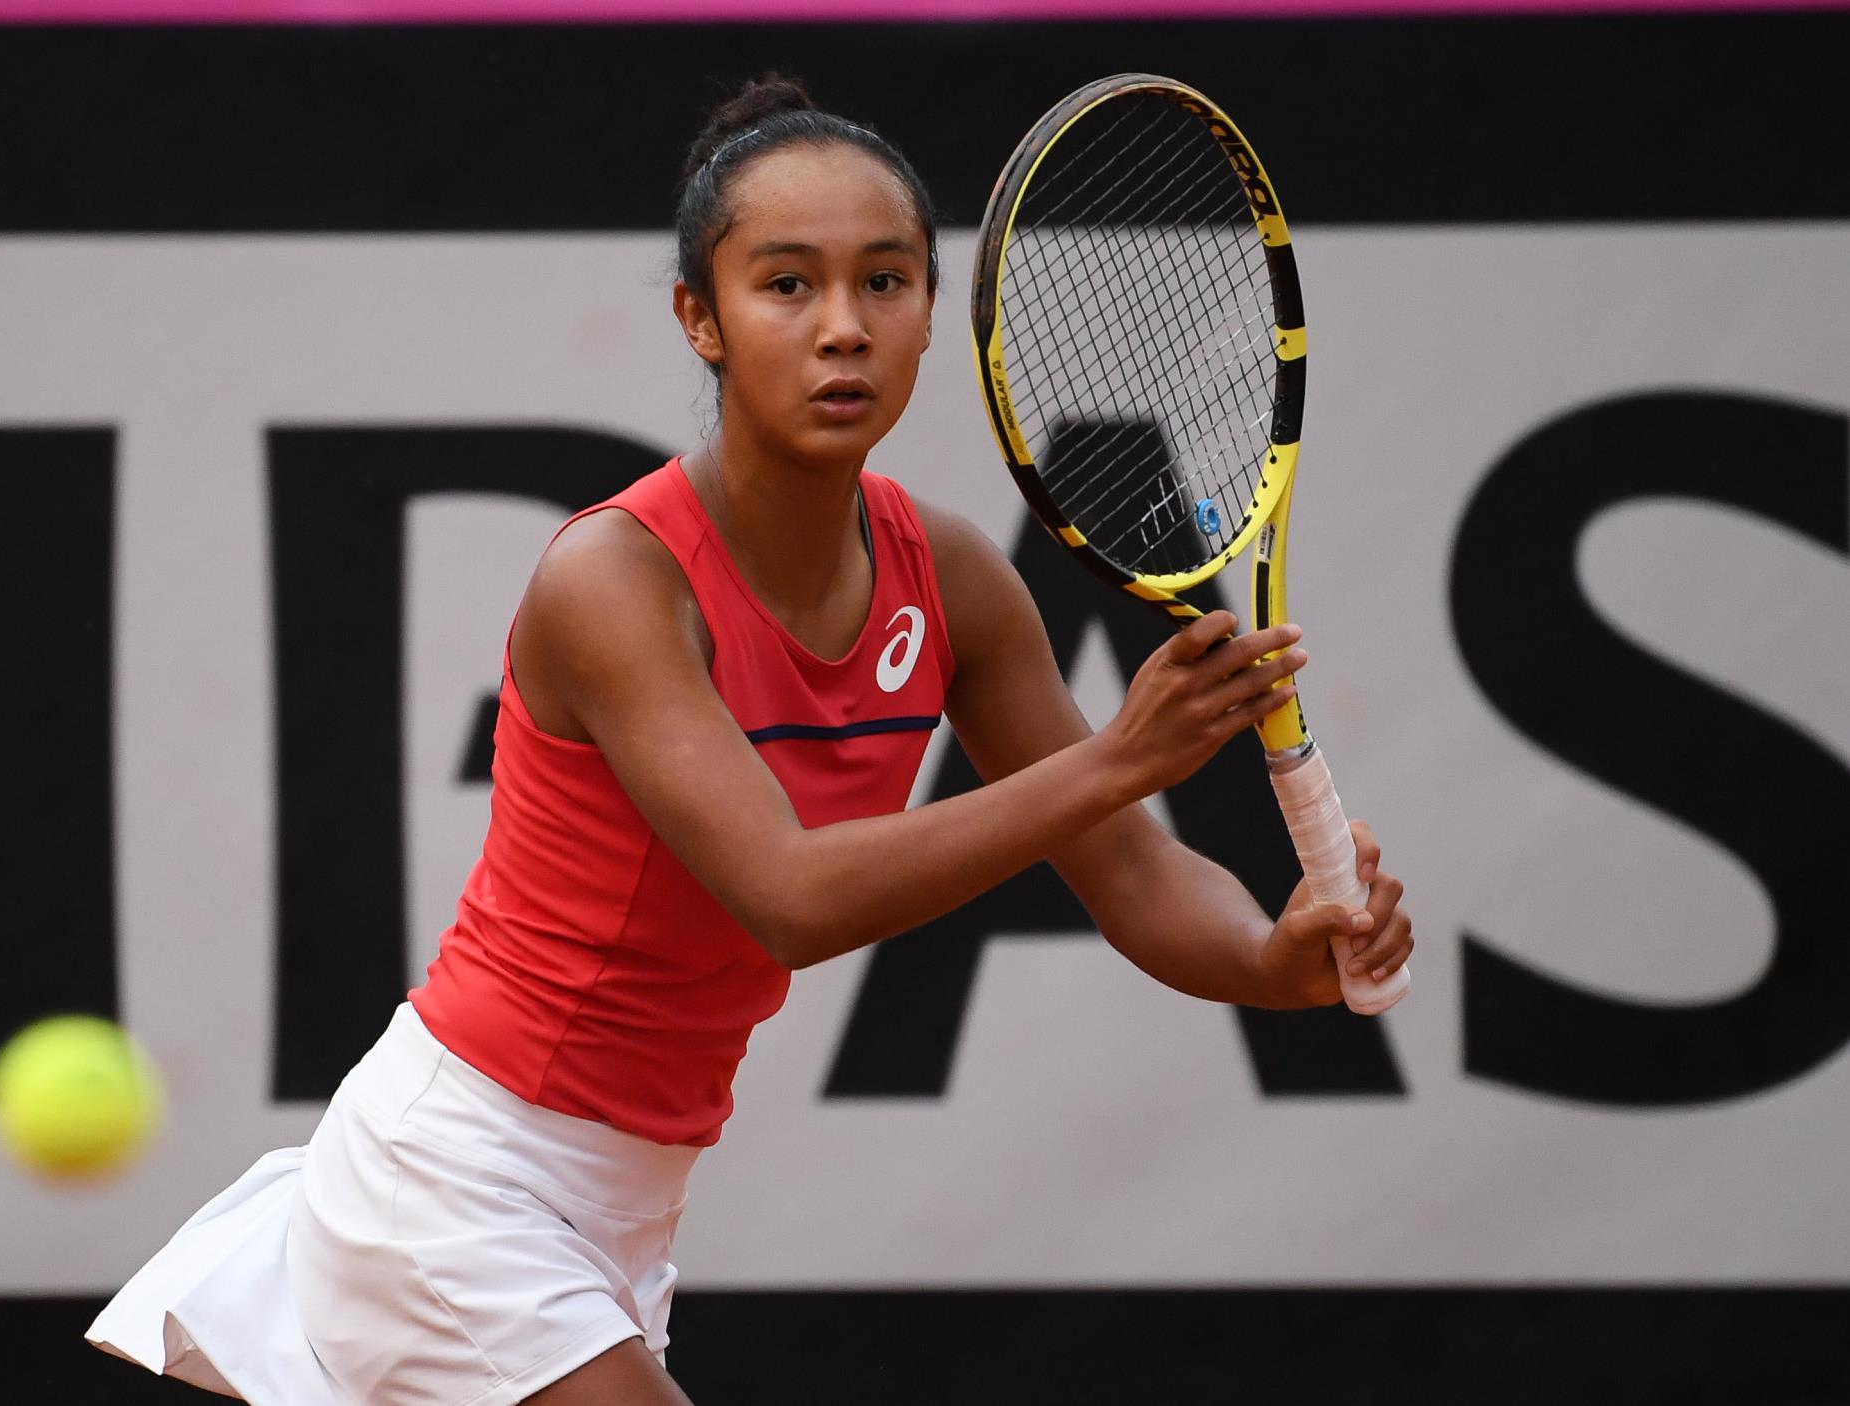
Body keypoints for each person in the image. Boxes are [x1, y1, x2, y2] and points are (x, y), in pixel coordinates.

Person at [88, 75, 1413, 1406]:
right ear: (699, 317)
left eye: (884, 283)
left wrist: (1266, 956)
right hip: (460, 1172)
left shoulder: (946, 577)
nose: (843, 328)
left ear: (926, 313)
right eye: (788, 285)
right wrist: (1116, 757)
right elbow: (786, 896)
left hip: (625, 1206)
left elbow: (1131, 873)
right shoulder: (614, 580)